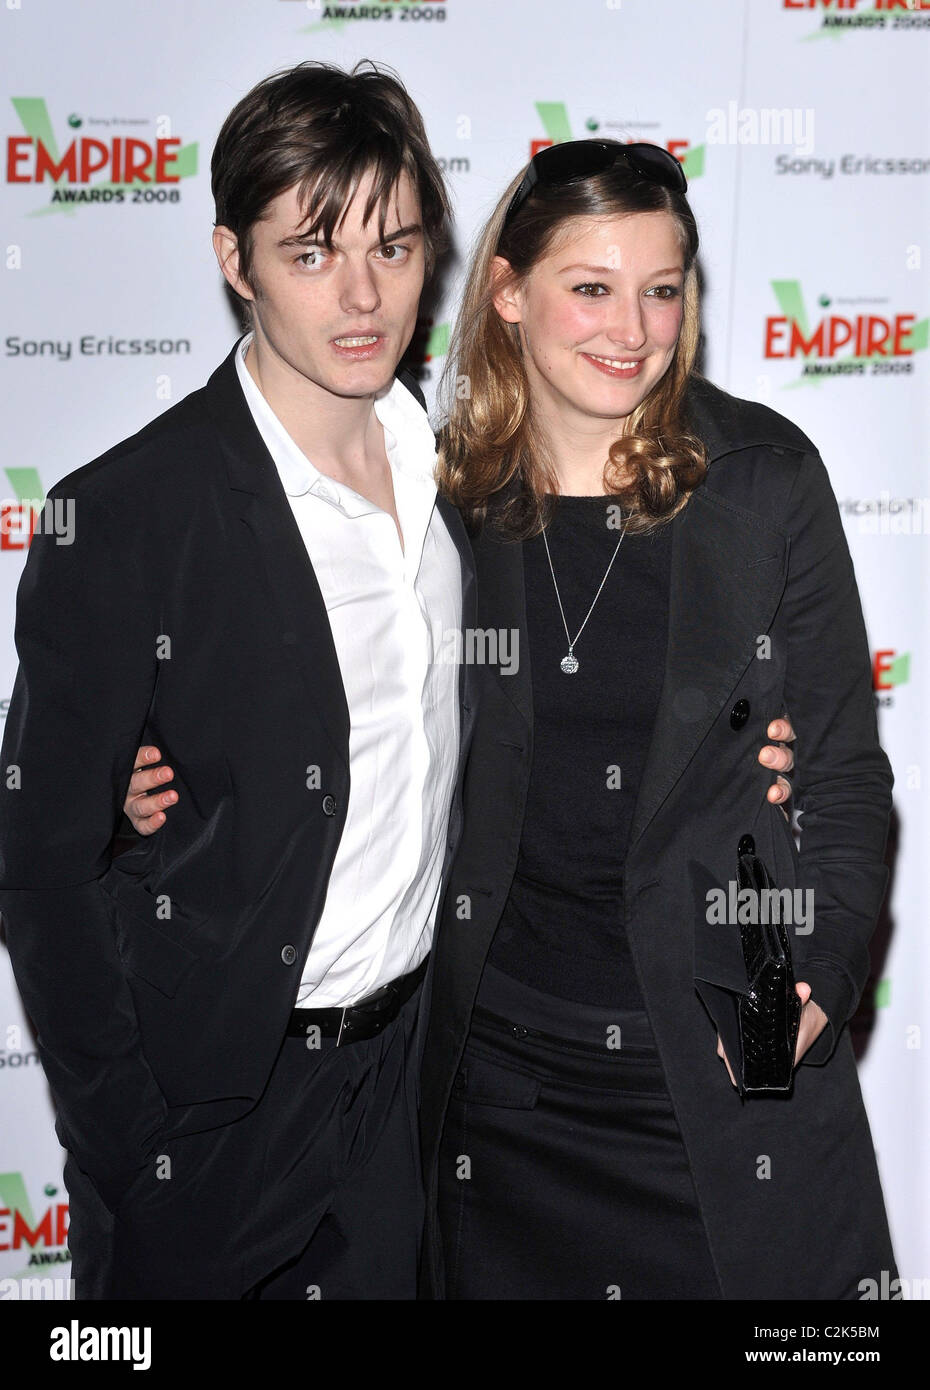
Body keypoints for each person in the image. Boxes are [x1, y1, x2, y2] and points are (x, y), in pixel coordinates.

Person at [0, 59, 469, 1300]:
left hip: (403, 1104)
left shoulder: (458, 480)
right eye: (312, 253)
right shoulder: (126, 515)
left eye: (397, 244)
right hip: (211, 1118)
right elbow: (41, 857)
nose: (366, 296)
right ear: (234, 258)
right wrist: (126, 1137)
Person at [408, 139, 894, 1300]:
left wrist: (801, 1000)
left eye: (662, 289)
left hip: (713, 1080)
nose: (632, 328)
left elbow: (842, 781)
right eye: (592, 288)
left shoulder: (766, 481)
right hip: (503, 1094)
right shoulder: (440, 503)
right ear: (509, 292)